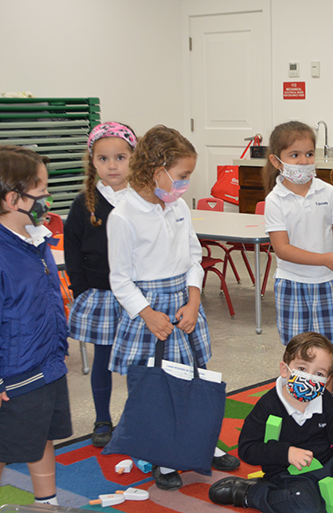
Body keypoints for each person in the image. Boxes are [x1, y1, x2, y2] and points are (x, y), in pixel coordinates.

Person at [106, 125, 239, 490]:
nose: (185, 184)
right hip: (148, 312)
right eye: (182, 176)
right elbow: (119, 279)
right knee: (155, 388)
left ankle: (203, 443)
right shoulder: (123, 216)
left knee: (196, 377)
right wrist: (147, 314)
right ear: (155, 169)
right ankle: (162, 456)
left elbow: (194, 257)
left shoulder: (177, 205)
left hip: (183, 305)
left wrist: (194, 299)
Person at [0, 146, 72, 512]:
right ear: (14, 199)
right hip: (13, 377)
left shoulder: (35, 238)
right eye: (41, 189)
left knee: (42, 437)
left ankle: (47, 503)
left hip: (47, 364)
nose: (47, 195)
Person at [209, 332, 333, 512]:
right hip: (288, 474)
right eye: (303, 369)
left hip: (328, 464)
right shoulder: (268, 405)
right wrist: (286, 453)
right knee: (303, 506)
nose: (309, 378)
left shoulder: (326, 402)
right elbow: (247, 449)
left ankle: (321, 495)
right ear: (285, 369)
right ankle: (250, 493)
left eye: (319, 373)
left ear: (327, 379)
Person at [64, 122, 137, 447]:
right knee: (103, 361)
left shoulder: (141, 199)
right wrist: (82, 293)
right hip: (103, 296)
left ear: (134, 159)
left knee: (138, 363)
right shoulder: (85, 203)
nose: (112, 165)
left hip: (137, 297)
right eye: (104, 158)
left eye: (120, 157)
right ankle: (102, 419)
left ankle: (136, 417)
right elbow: (73, 251)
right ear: (92, 162)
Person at [261, 121, 333, 347]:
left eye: (309, 154)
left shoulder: (328, 191)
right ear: (276, 161)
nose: (303, 161)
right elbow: (282, 249)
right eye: (294, 155)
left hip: (330, 282)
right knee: (298, 351)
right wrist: (323, 259)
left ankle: (329, 385)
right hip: (292, 284)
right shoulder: (274, 201)